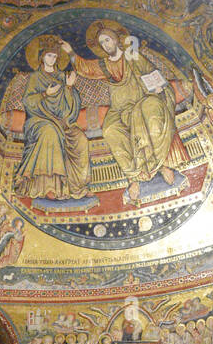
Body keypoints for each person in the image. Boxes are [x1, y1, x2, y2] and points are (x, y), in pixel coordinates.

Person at [62, 22, 186, 206]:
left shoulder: (132, 56)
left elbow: (151, 72)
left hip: (143, 99)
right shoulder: (104, 65)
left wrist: (158, 87)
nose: (105, 45)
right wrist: (71, 52)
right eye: (102, 43)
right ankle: (133, 177)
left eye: (107, 40)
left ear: (116, 40)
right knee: (110, 129)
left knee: (147, 113)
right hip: (119, 108)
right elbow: (85, 68)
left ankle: (160, 166)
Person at [13, 35, 90, 201]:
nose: (52, 59)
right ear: (41, 57)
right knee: (50, 132)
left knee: (80, 139)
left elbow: (70, 109)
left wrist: (69, 88)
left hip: (62, 122)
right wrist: (44, 94)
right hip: (38, 121)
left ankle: (77, 186)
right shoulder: (35, 78)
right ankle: (48, 186)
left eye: (55, 56)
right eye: (49, 55)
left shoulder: (62, 77)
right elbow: (28, 102)